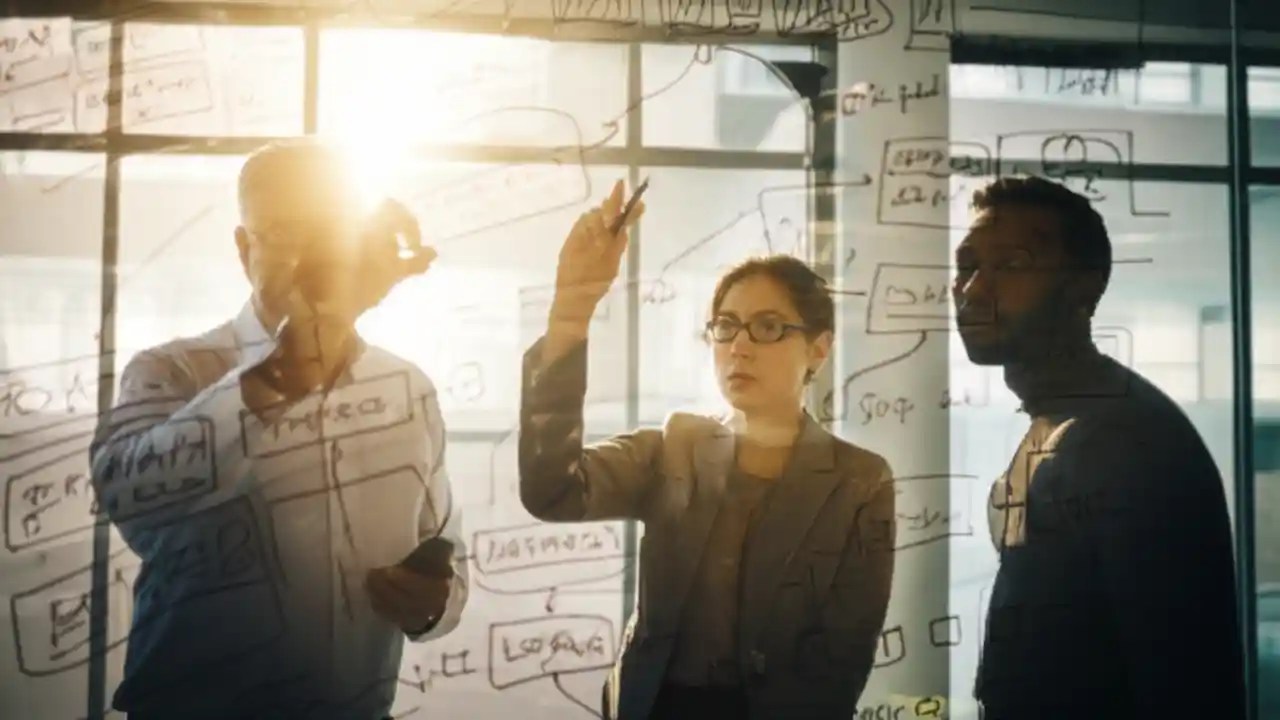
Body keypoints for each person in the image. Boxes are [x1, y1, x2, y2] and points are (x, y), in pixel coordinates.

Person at [90, 139, 469, 720]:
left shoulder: (409, 390)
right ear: (244, 249)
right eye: (292, 233)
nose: (318, 256)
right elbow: (134, 505)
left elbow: (447, 559)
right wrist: (292, 362)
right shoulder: (171, 372)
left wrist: (431, 604)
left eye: (332, 231)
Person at [518, 180, 897, 719]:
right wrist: (570, 314)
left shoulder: (859, 481)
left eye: (768, 327)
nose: (739, 345)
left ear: (818, 347)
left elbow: (842, 658)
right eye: (726, 326)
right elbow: (551, 490)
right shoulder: (678, 445)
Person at [955, 177, 1245, 719]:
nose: (972, 289)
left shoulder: (1126, 440)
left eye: (1011, 266)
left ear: (1083, 288)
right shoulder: (1061, 419)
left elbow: (1183, 682)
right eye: (966, 264)